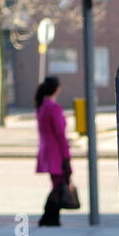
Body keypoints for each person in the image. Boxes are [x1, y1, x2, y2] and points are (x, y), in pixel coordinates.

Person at [35, 77, 72, 227]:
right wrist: (66, 156)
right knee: (59, 185)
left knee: (57, 185)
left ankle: (51, 218)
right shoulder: (54, 108)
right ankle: (48, 217)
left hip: (46, 151)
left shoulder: (41, 106)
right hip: (56, 152)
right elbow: (60, 135)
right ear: (57, 89)